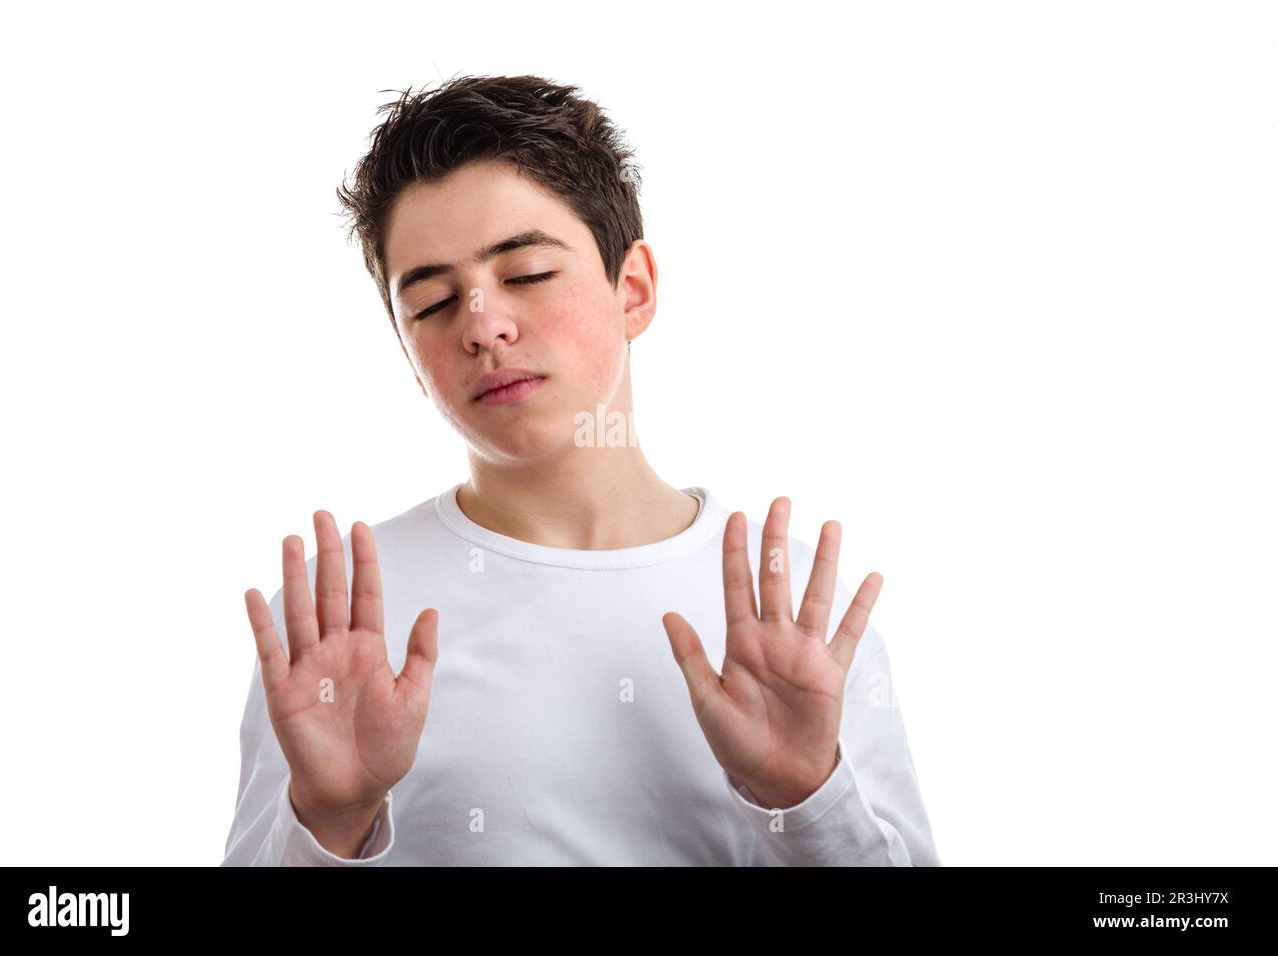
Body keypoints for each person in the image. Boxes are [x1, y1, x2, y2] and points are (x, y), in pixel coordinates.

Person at [221, 75, 940, 866]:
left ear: (632, 290)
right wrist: (330, 817)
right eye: (432, 304)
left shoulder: (803, 613)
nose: (483, 326)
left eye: (525, 274)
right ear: (407, 353)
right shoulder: (338, 623)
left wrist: (807, 796)